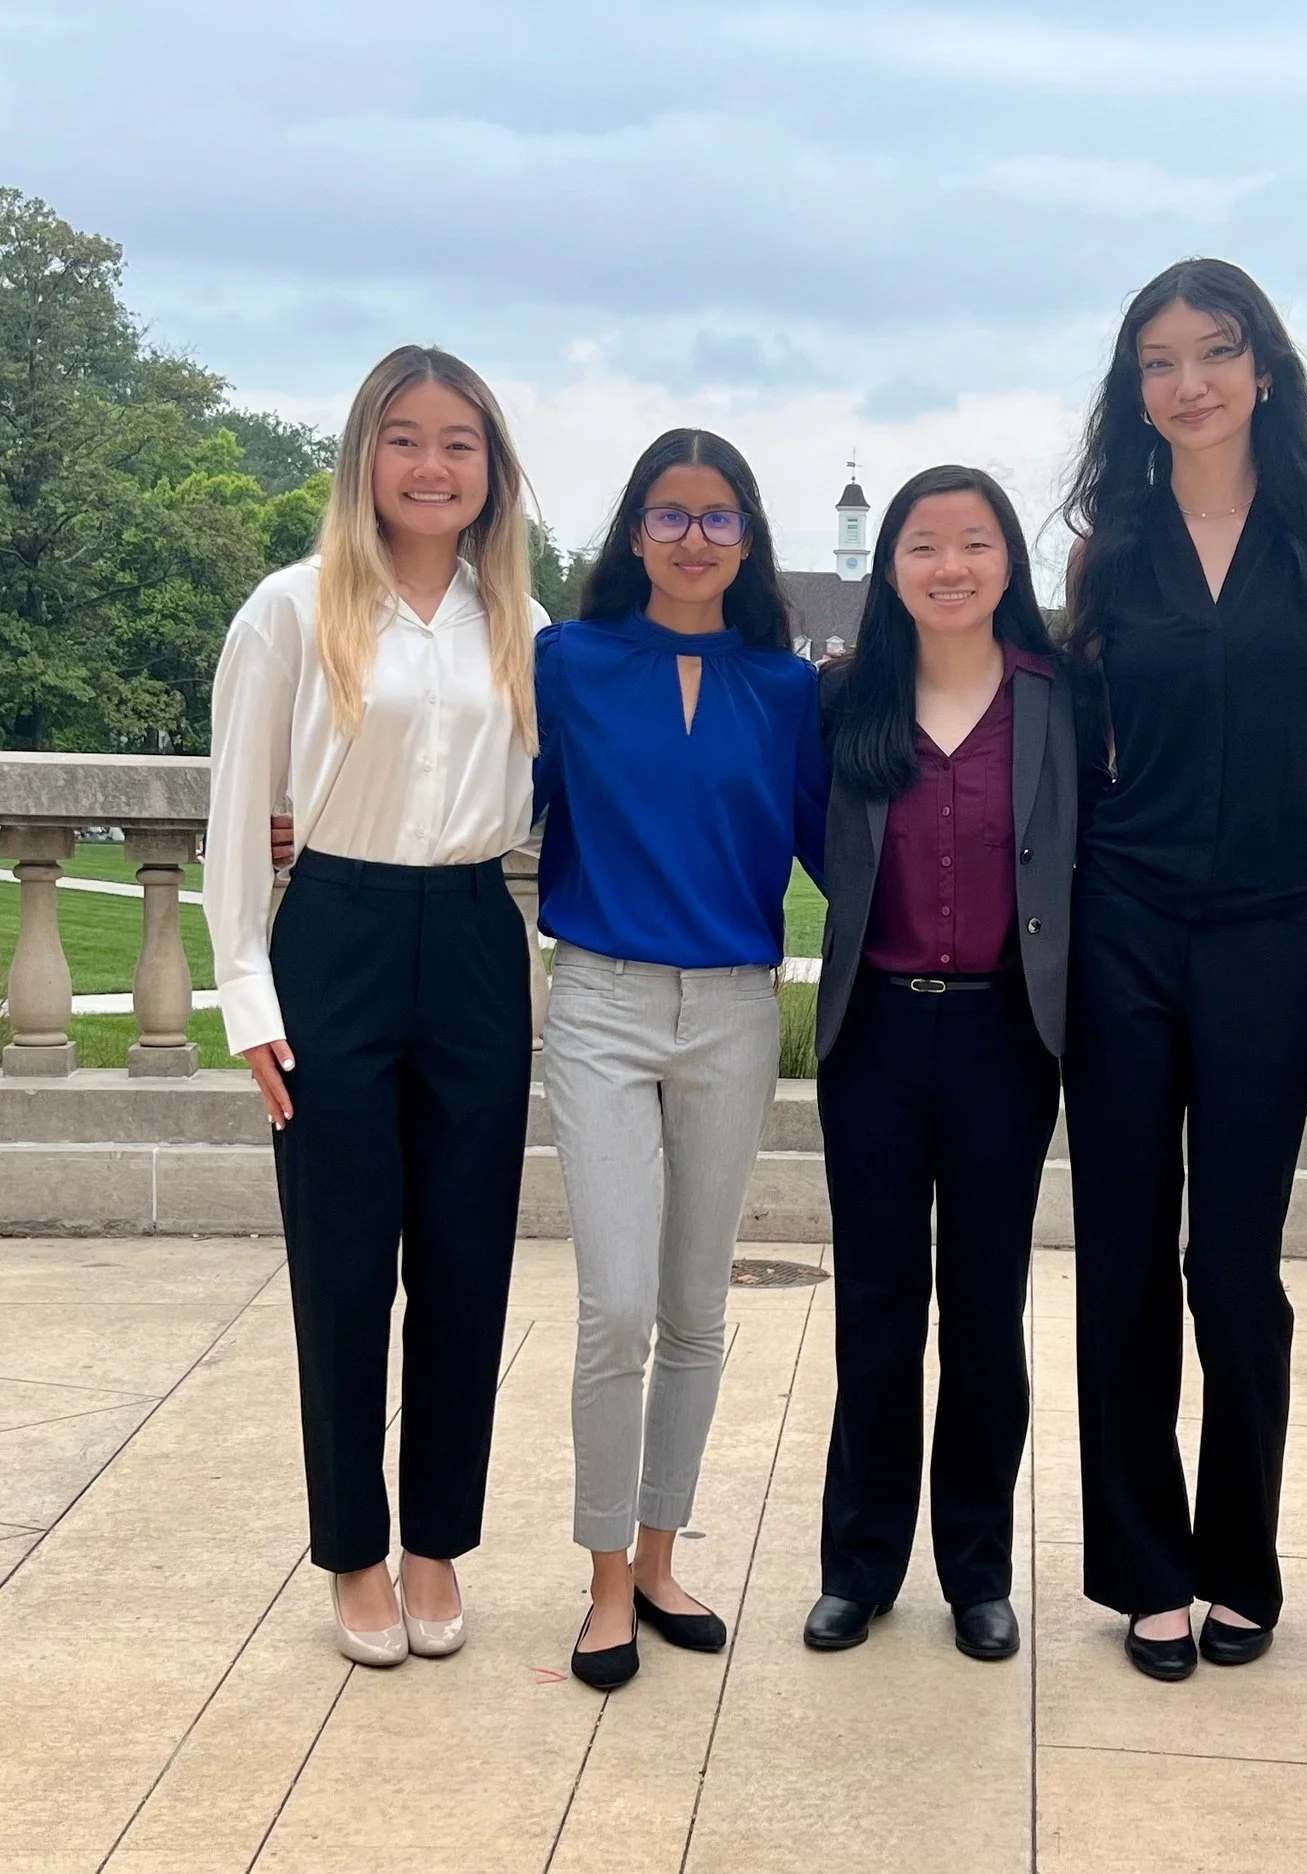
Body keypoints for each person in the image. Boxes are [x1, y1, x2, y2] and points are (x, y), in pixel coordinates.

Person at [1060, 257, 1307, 1681]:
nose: (1187, 383)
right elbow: (1065, 744)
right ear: (1134, 391)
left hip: (1267, 927)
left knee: (1234, 1263)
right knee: (1123, 1254)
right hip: (1121, 919)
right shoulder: (1107, 549)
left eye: (1213, 352)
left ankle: (1239, 1555)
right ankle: (1145, 1567)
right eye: (1158, 362)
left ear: (1262, 367)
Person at [205, 345, 542, 1667]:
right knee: (344, 1271)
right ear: (364, 457)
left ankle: (436, 1544)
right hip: (334, 934)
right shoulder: (290, 611)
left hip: (470, 934)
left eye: (459, 441)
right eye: (404, 438)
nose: (431, 464)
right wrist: (246, 995)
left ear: (489, 470)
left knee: (466, 1265)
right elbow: (238, 814)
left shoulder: (520, 628)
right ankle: (352, 1549)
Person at [533, 429, 826, 1693]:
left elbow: (835, 844)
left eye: (716, 517)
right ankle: (603, 1578)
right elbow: (485, 791)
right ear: (634, 533)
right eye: (669, 514)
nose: (693, 537)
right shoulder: (570, 660)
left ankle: (659, 1557)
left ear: (747, 538)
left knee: (697, 1308)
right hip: (598, 997)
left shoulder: (786, 686)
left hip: (732, 1010)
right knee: (613, 1307)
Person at [804, 466, 1075, 1662]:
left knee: (980, 1311)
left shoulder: (1060, 701)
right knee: (873, 1304)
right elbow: (804, 839)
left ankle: (975, 1565)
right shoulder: (842, 702)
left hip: (1001, 1038)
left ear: (1008, 561)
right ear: (889, 564)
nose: (949, 565)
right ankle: (857, 1564)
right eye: (923, 543)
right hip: (872, 1030)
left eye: (973, 542)